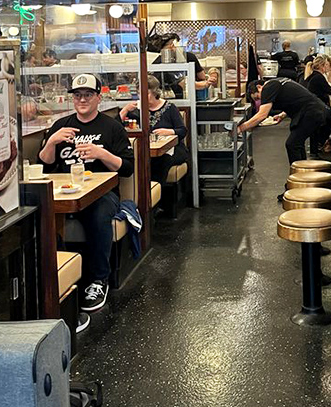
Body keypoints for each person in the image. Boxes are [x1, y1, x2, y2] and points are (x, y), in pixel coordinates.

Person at [39, 73, 134, 313]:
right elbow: (45, 166)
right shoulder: (61, 125)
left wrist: (100, 154)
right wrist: (51, 142)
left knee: (99, 215)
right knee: (42, 215)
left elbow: (127, 167)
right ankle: (52, 282)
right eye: (78, 95)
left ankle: (97, 280)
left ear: (98, 97)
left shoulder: (111, 127)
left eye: (88, 95)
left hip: (103, 193)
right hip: (65, 190)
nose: (82, 100)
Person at [239, 78, 331, 167]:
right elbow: (295, 98)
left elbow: (262, 115)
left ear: (259, 87)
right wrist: (282, 115)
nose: (260, 100)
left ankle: (298, 177)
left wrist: (240, 128)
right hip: (315, 110)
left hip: (311, 113)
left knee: (292, 145)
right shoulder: (278, 81)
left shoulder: (268, 87)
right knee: (298, 144)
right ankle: (303, 174)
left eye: (257, 97)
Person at [119, 75, 188, 184]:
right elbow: (118, 128)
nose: (141, 96)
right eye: (139, 93)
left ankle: (155, 195)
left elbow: (183, 130)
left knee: (161, 161)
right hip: (147, 151)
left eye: (145, 93)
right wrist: (125, 110)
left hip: (172, 150)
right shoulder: (137, 111)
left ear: (155, 92)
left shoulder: (170, 108)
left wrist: (168, 131)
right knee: (137, 160)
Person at [149, 32, 215, 98]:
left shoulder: (188, 57)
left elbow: (201, 77)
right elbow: (185, 84)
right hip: (167, 98)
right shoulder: (163, 64)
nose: (175, 48)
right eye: (172, 45)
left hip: (184, 97)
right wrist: (206, 84)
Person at [305, 54, 331, 155]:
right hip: (316, 107)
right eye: (327, 65)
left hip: (313, 106)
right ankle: (330, 140)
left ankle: (326, 141)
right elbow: (330, 90)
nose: (328, 67)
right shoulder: (318, 77)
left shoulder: (315, 75)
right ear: (322, 66)